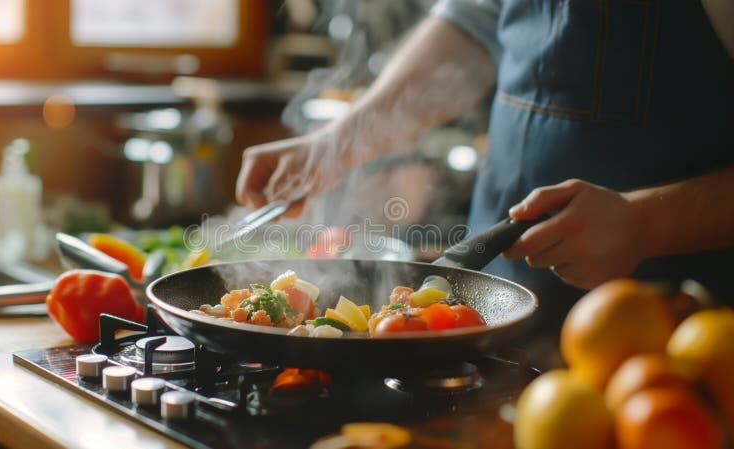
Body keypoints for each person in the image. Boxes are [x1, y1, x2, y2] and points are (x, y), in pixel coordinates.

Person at [237, 0, 734, 321]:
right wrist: (334, 144)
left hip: (671, 334)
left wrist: (645, 222)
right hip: (490, 302)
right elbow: (474, 22)